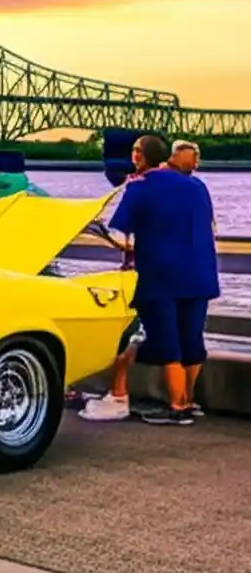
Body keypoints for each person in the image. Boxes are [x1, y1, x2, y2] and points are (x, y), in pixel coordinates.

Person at [80, 135, 219, 426]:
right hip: (201, 273)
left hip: (160, 275)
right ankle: (189, 402)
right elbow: (210, 227)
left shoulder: (140, 187)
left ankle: (177, 408)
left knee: (168, 344)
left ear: (139, 157)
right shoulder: (198, 186)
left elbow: (120, 236)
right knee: (192, 341)